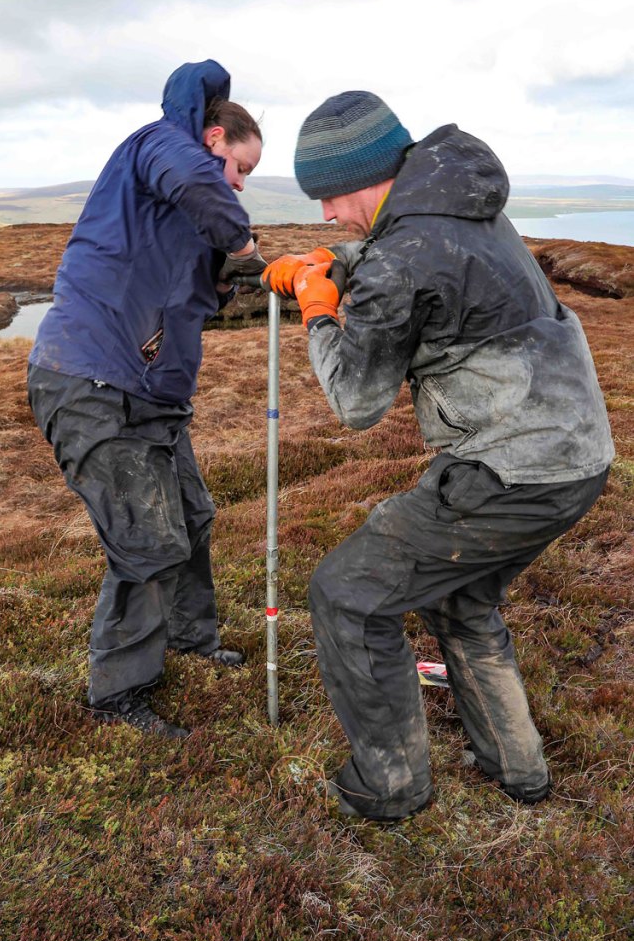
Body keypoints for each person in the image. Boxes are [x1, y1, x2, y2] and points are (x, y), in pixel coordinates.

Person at [263, 91, 614, 820]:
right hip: (574, 456)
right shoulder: (460, 197)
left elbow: (355, 403)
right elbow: (415, 253)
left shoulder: (404, 258)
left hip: (509, 469)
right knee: (461, 596)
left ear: (366, 175)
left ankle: (389, 787)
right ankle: (518, 774)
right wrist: (335, 258)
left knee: (347, 595)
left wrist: (316, 305)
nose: (326, 214)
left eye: (329, 198)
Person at [28, 59, 266, 739]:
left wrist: (232, 274)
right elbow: (198, 183)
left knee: (191, 515)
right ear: (214, 138)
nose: (239, 184)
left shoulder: (182, 214)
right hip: (87, 380)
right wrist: (241, 237)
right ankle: (118, 693)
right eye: (240, 169)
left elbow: (186, 303)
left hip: (150, 398)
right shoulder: (163, 146)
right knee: (145, 540)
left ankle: (191, 637)